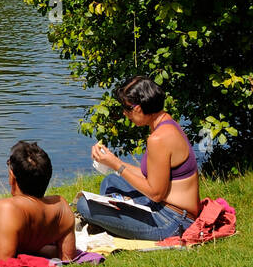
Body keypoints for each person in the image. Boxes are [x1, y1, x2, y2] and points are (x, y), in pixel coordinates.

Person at [76, 76, 200, 240]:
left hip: (171, 222)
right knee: (112, 181)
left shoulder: (158, 139)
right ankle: (116, 216)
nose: (124, 113)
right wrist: (114, 163)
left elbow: (156, 194)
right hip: (171, 210)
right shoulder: (166, 122)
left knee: (84, 205)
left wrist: (117, 165)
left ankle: (110, 220)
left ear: (139, 108)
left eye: (127, 108)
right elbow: (153, 177)